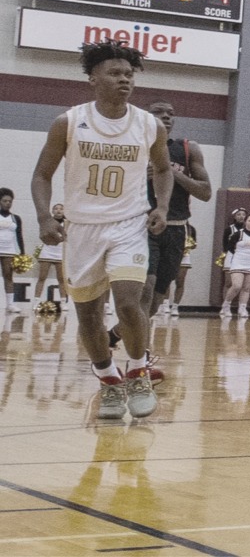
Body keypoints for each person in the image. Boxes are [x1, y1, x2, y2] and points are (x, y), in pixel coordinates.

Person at [27, 42, 170, 421]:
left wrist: (162, 206)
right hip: (82, 228)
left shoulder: (147, 124)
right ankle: (108, 380)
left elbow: (164, 169)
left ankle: (137, 372)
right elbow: (42, 174)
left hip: (128, 225)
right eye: (114, 73)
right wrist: (44, 217)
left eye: (129, 74)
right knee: (88, 316)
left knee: (128, 302)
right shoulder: (69, 122)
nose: (124, 79)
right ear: (93, 78)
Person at [142, 102, 210, 319]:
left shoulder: (188, 149)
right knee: (146, 285)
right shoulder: (135, 147)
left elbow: (205, 192)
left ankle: (117, 335)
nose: (166, 117)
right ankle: (140, 351)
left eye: (171, 114)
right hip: (143, 227)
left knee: (158, 295)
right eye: (158, 113)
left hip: (177, 230)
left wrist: (171, 173)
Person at [0, 189, 22, 317]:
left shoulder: (15, 218)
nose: (8, 203)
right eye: (5, 201)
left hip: (9, 251)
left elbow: (19, 235)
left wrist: (22, 252)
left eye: (10, 201)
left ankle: (10, 304)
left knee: (8, 276)